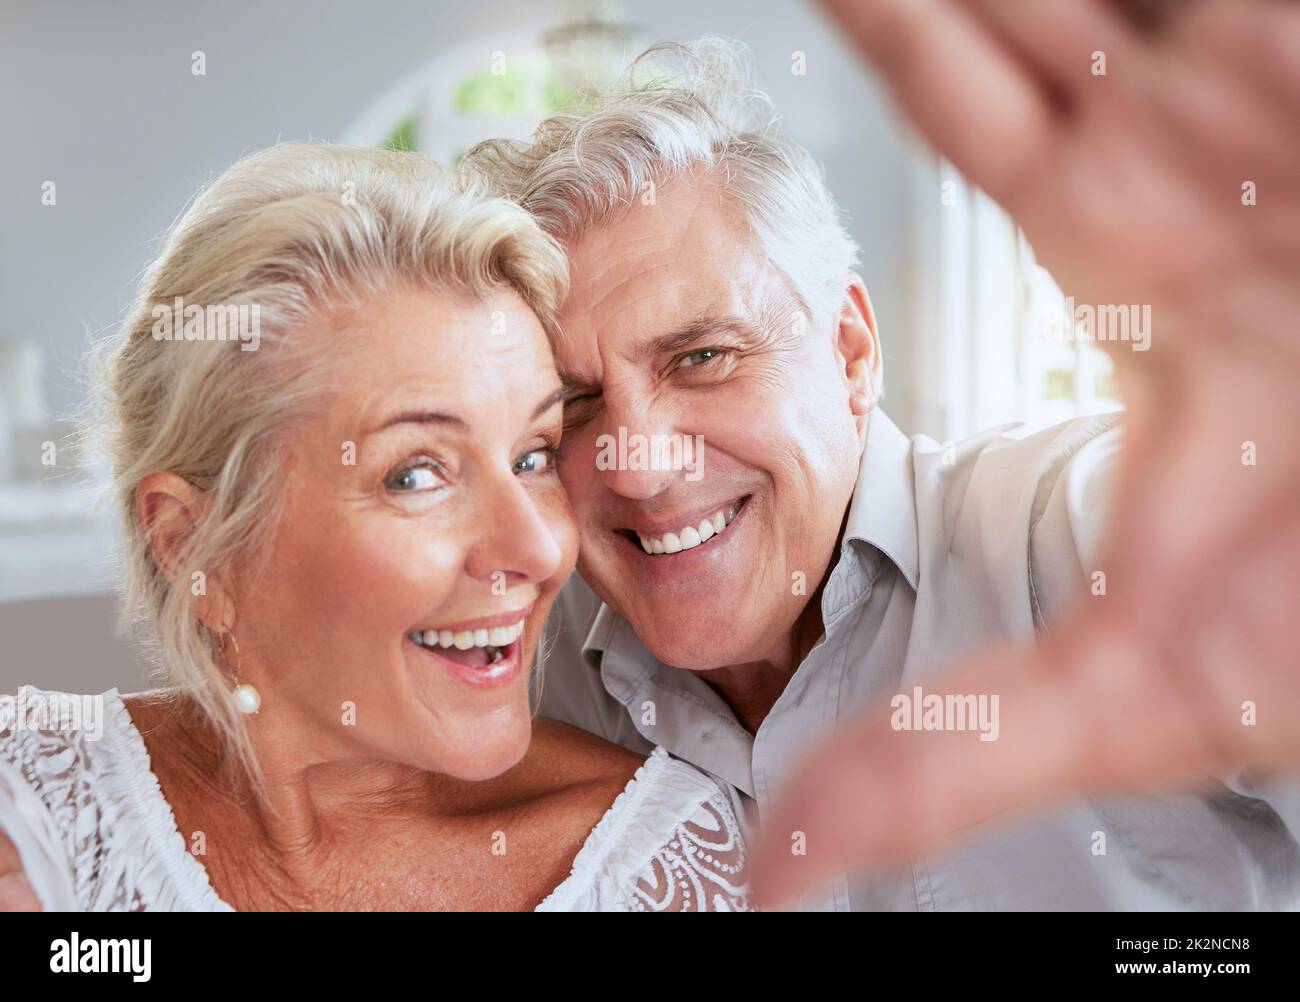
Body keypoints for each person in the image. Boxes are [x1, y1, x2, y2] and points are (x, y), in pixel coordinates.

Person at [462, 25, 1300, 911]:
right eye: (574, 403)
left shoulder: (1079, 541)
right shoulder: (521, 672)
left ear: (851, 354)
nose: (639, 467)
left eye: (702, 358)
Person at [0, 143, 750, 912]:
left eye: (533, 457)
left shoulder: (665, 866)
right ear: (192, 545)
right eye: (416, 475)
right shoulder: (29, 817)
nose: (537, 549)